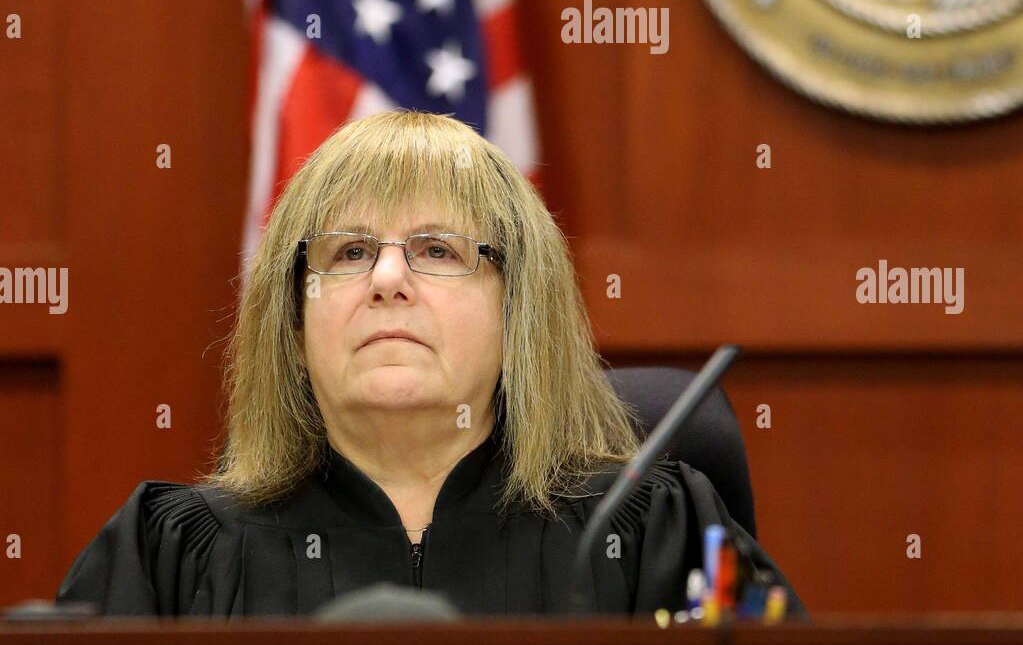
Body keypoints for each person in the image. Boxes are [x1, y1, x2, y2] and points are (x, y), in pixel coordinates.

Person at [55, 110, 807, 618]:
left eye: (438, 250)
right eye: (348, 252)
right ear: (291, 320)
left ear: (521, 313)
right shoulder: (170, 556)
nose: (386, 280)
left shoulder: (654, 534)